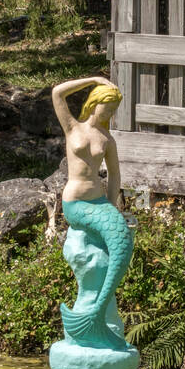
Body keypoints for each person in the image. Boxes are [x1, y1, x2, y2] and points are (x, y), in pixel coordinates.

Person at [51, 75, 132, 349]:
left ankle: (98, 313)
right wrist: (93, 79)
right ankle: (93, 317)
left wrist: (111, 207)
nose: (108, 113)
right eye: (105, 107)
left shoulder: (107, 139)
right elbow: (57, 93)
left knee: (122, 243)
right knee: (116, 240)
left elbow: (115, 177)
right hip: (75, 204)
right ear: (93, 103)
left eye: (113, 110)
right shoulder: (72, 127)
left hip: (99, 203)